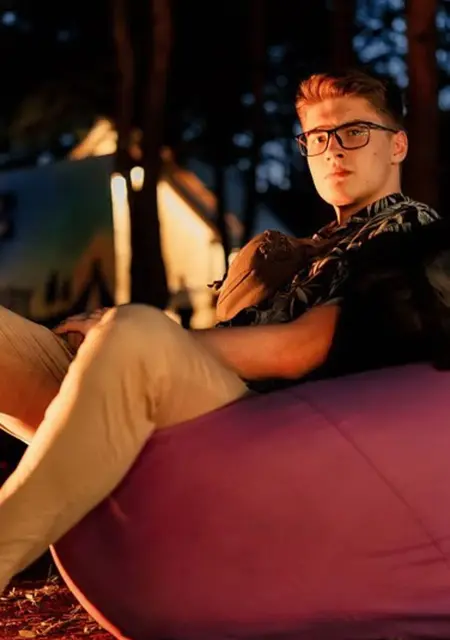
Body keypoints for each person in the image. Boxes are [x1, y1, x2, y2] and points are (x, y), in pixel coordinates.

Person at [0, 67, 442, 594]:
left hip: (261, 434)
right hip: (174, 403)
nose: (334, 151)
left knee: (135, 329)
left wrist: (137, 340)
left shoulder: (412, 235)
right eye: (318, 138)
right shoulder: (307, 248)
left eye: (354, 132)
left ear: (397, 146)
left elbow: (300, 349)